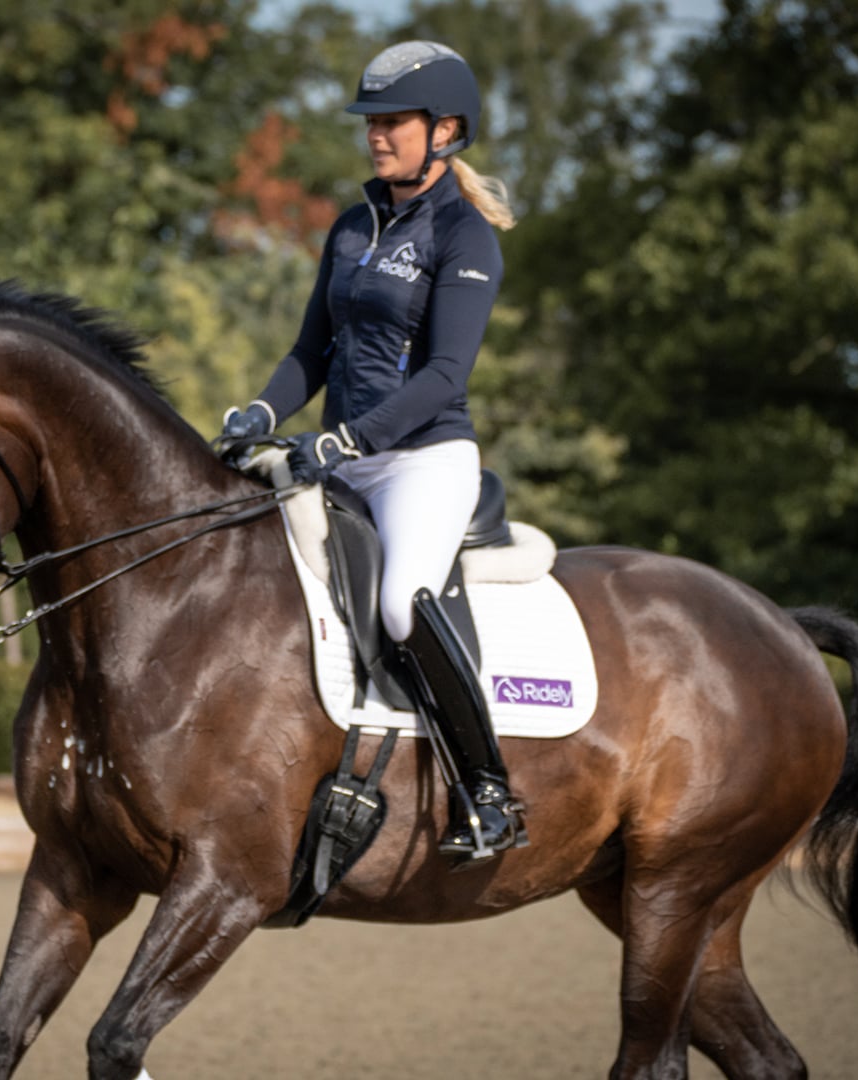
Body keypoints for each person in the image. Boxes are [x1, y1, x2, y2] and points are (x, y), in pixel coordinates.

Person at [218, 41, 526, 860]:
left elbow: (445, 375)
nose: (376, 135)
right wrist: (259, 410)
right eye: (371, 122)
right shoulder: (352, 227)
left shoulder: (465, 236)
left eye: (393, 121)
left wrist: (350, 437)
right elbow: (309, 353)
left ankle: (488, 790)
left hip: (422, 460)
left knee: (400, 604)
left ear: (446, 130)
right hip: (340, 458)